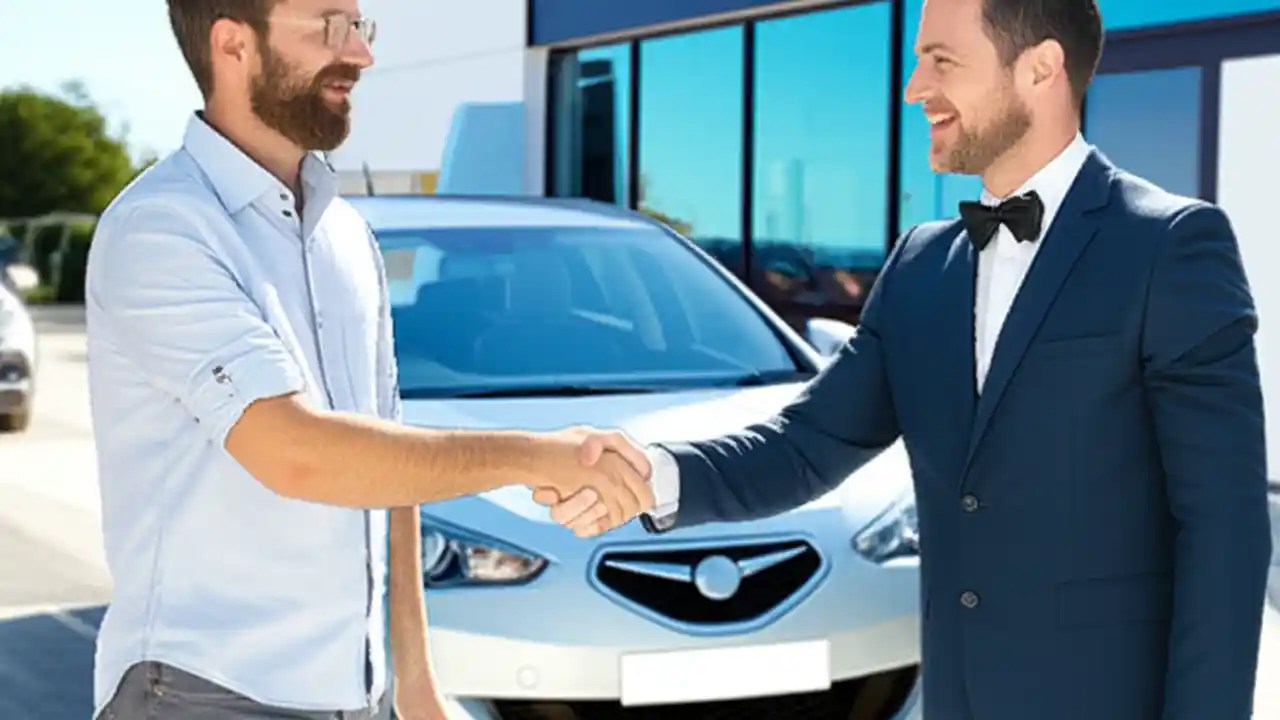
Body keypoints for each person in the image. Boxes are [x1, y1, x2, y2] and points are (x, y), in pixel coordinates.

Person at [539, 0, 1273, 718]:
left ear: (1040, 69)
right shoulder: (921, 266)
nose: (914, 88)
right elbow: (805, 445)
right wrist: (650, 477)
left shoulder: (1170, 246)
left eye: (941, 61)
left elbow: (1226, 532)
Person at [85, 2, 652, 719]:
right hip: (205, 693)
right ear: (233, 45)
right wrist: (538, 457)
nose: (360, 54)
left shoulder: (346, 235)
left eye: (360, 26)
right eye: (328, 27)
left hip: (355, 694)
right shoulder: (162, 229)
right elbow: (298, 455)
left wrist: (414, 681)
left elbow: (388, 472)